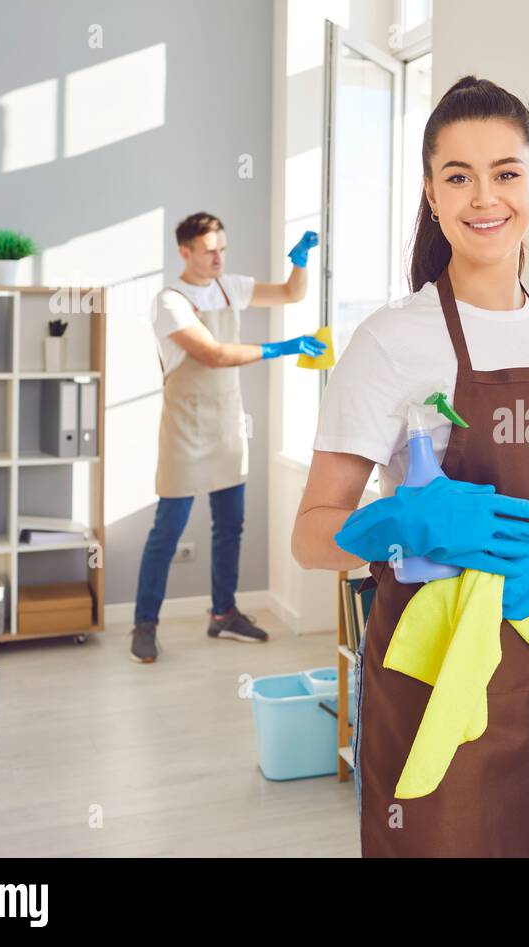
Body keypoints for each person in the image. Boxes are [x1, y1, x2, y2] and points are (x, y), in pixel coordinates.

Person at [291, 76, 529, 856]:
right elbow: (311, 535)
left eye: (507, 172)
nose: (486, 197)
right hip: (427, 681)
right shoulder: (390, 340)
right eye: (459, 176)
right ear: (431, 195)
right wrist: (400, 526)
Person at [130, 212, 326, 663]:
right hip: (185, 428)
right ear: (185, 253)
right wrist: (282, 348)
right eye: (209, 251)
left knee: (230, 524)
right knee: (168, 528)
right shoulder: (169, 300)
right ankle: (144, 624)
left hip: (227, 425)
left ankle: (223, 614)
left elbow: (292, 294)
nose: (219, 257)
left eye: (223, 248)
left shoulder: (228, 285)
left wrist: (300, 262)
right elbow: (213, 354)